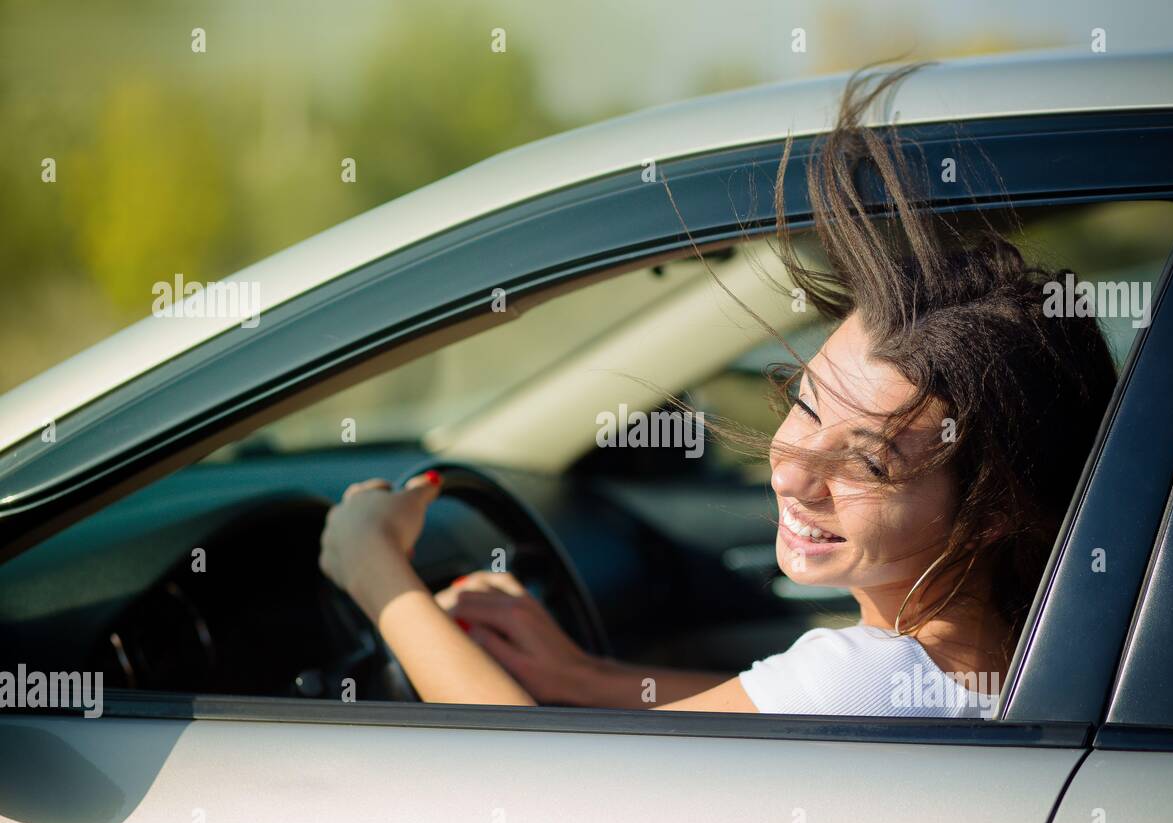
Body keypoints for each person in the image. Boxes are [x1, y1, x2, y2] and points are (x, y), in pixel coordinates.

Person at [317, 66, 1117, 717]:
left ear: (997, 506)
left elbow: (541, 785)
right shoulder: (1000, 652)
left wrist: (377, 574)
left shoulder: (863, 676)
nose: (793, 475)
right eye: (804, 405)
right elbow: (768, 711)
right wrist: (583, 680)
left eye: (868, 463)